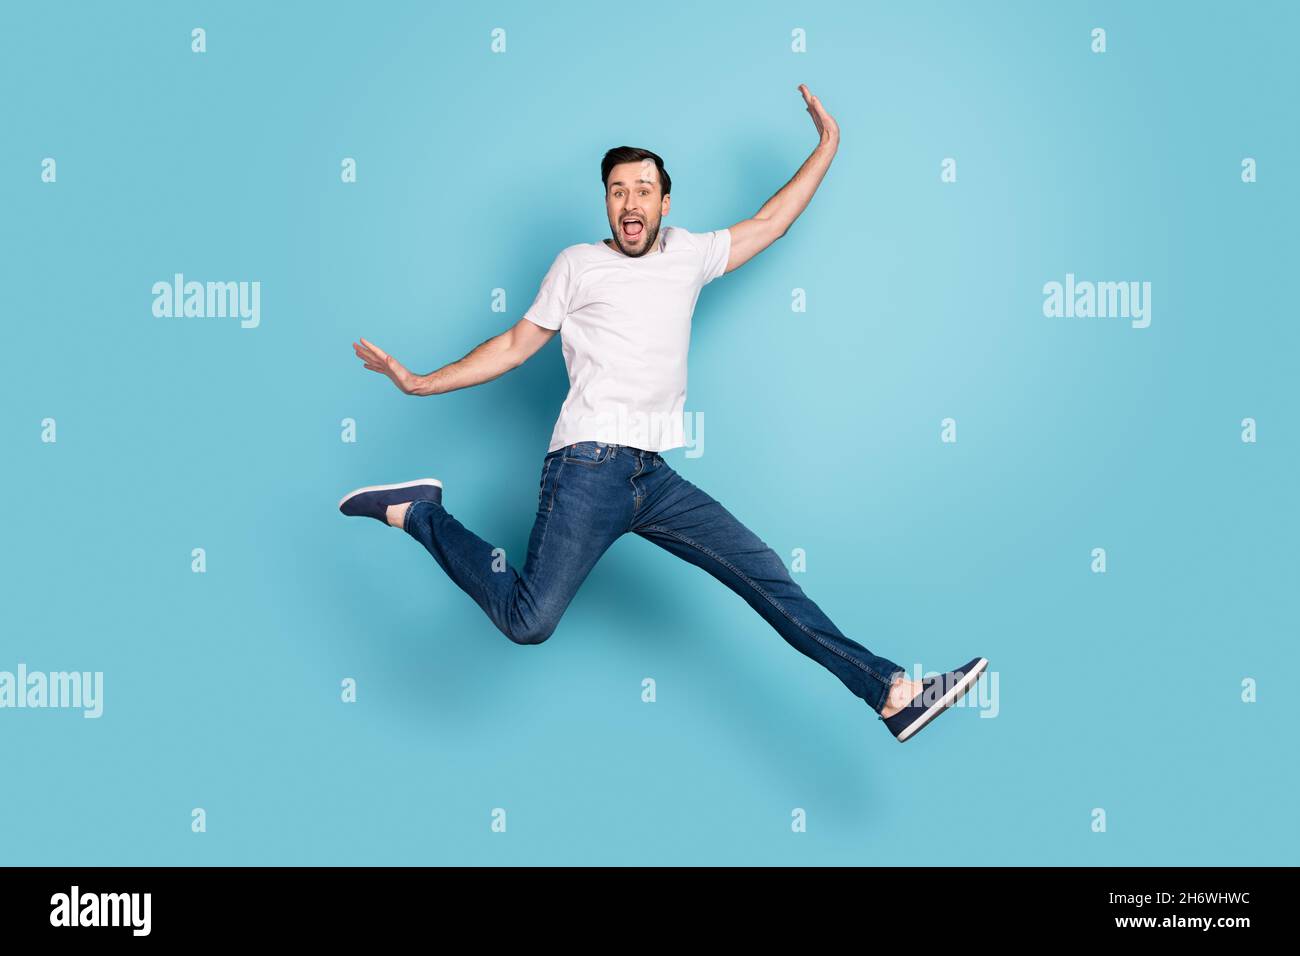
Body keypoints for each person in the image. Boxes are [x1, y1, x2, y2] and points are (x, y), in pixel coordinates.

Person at [339, 84, 987, 743]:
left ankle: (892, 694)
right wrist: (421, 384)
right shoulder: (578, 265)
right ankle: (421, 512)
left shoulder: (688, 254)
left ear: (663, 202)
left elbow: (770, 223)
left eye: (643, 190)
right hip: (586, 470)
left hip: (653, 479)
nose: (631, 202)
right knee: (528, 622)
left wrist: (829, 146)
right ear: (608, 203)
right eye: (618, 190)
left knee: (766, 578)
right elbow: (512, 346)